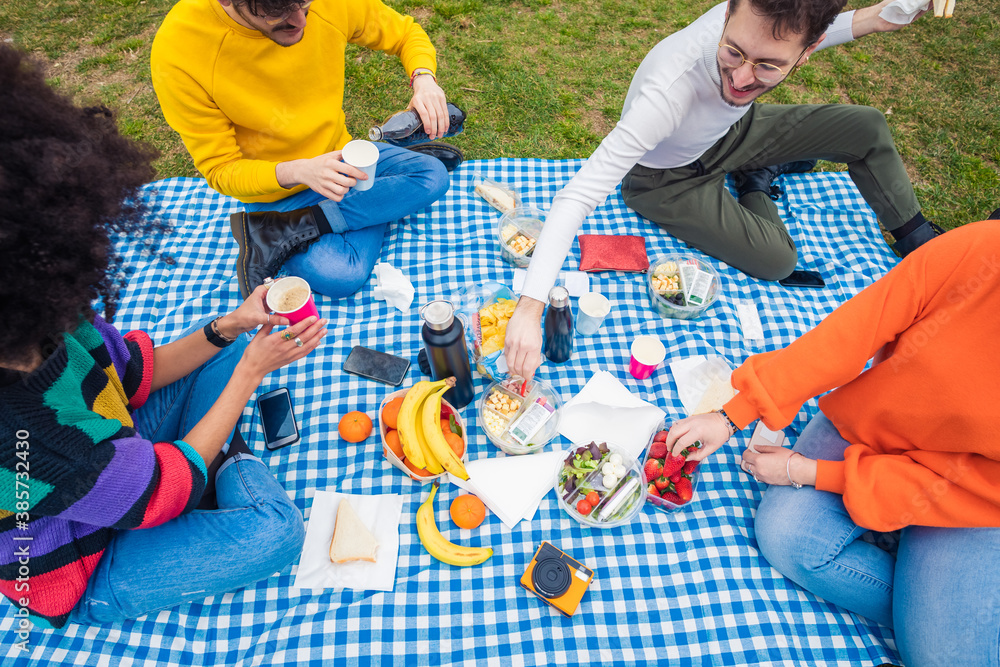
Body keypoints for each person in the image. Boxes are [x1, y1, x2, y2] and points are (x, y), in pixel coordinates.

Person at [0, 46, 326, 628]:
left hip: (118, 461)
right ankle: (223, 455)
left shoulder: (41, 307)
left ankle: (213, 447)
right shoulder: (23, 433)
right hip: (83, 563)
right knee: (275, 532)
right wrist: (250, 374)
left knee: (223, 359)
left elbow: (134, 370)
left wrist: (233, 324)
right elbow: (159, 495)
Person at [504, 0, 939, 379]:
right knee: (778, 259)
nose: (742, 78)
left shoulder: (770, 37)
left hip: (733, 132)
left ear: (804, 54)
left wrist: (882, 16)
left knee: (865, 126)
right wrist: (530, 306)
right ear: (728, 13)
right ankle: (756, 183)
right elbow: (577, 195)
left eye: (767, 65)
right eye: (733, 52)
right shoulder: (668, 94)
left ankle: (916, 236)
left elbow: (817, 28)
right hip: (664, 179)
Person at [663, 219, 1000, 665]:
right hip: (872, 427)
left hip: (970, 501)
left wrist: (804, 471)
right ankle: (936, 607)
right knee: (785, 538)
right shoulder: (981, 248)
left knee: (937, 657)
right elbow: (850, 333)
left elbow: (977, 486)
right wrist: (731, 415)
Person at [150, 0, 451, 299]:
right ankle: (374, 202)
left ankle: (305, 226)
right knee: (341, 275)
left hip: (340, 158)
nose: (301, 21)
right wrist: (299, 170)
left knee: (433, 175)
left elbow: (404, 33)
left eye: (304, 4)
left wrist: (423, 79)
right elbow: (221, 169)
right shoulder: (180, 50)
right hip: (277, 194)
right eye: (276, 10)